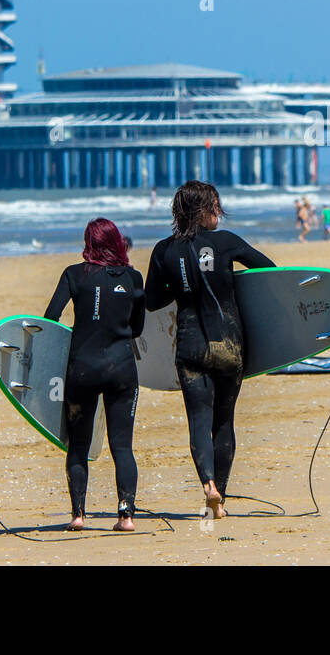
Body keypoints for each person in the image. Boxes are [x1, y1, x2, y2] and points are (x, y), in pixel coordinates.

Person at [145, 181, 274, 520]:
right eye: (214, 205)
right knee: (224, 421)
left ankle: (208, 486)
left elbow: (153, 301)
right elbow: (270, 271)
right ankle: (222, 501)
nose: (219, 211)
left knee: (199, 422)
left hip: (189, 348)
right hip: (229, 345)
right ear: (200, 210)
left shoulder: (163, 251)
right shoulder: (227, 242)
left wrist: (180, 281)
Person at [43, 218, 145, 532]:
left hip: (82, 370)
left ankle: (78, 516)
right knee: (122, 447)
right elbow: (137, 328)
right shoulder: (133, 278)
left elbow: (50, 319)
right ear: (117, 242)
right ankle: (125, 516)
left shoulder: (73, 274)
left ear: (89, 243)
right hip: (122, 370)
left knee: (78, 446)